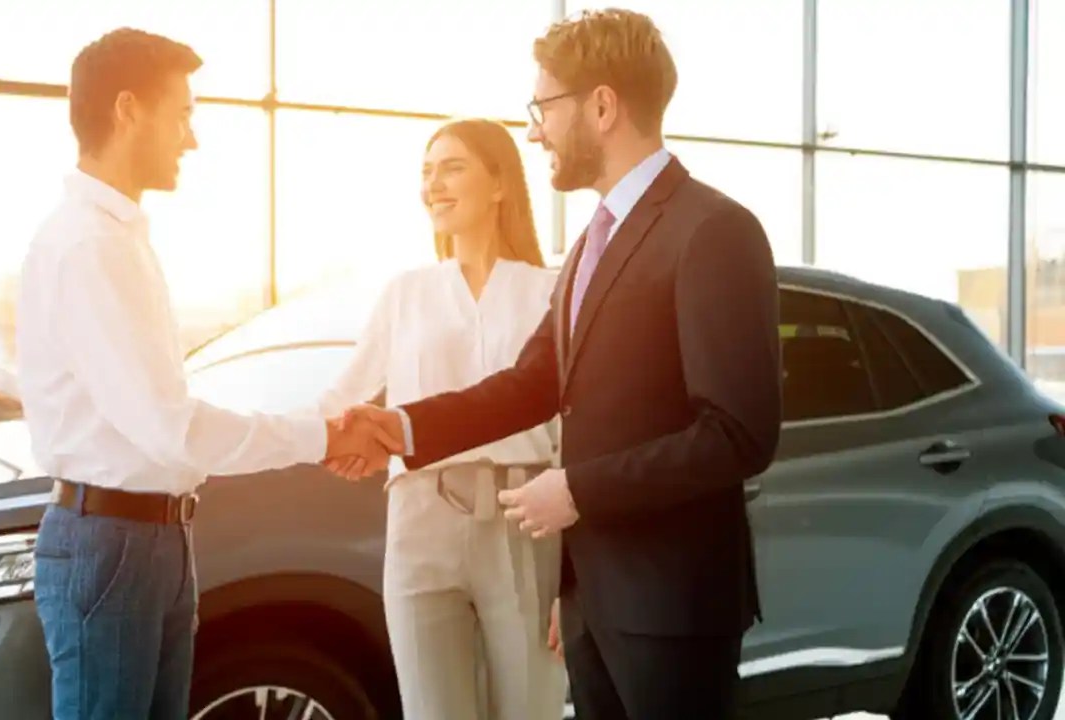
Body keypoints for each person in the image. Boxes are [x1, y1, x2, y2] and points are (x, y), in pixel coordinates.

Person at [335, 9, 782, 719]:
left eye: (544, 106)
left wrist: (578, 488)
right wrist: (400, 427)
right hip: (590, 600)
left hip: (672, 603)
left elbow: (739, 433)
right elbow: (532, 385)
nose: (535, 129)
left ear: (602, 106)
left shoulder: (714, 231)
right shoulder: (589, 245)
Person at [15, 28, 393, 720]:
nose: (191, 139)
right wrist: (323, 435)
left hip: (153, 538)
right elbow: (171, 428)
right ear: (129, 110)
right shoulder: (89, 246)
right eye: (183, 114)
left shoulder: (118, 239)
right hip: (114, 544)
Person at [319, 118, 567, 720]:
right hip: (420, 519)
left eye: (452, 167)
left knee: (531, 711)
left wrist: (574, 579)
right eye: (426, 172)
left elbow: (582, 426)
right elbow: (341, 402)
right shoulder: (405, 292)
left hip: (527, 517)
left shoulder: (552, 290)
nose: (434, 184)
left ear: (500, 183)